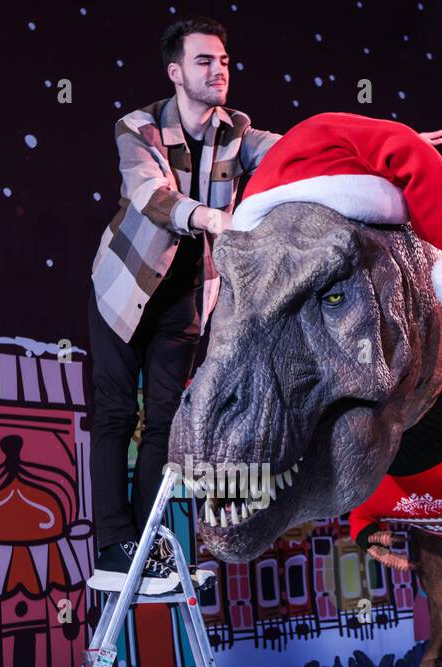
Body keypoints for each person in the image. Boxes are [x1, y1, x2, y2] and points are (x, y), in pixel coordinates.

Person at [87, 15, 281, 594]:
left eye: (222, 61)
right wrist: (212, 217)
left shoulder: (237, 133)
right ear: (176, 72)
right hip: (126, 293)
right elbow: (150, 194)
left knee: (166, 427)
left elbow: (302, 149)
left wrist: (377, 148)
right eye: (204, 61)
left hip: (186, 301)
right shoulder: (139, 127)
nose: (218, 70)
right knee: (117, 414)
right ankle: (112, 547)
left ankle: (146, 552)